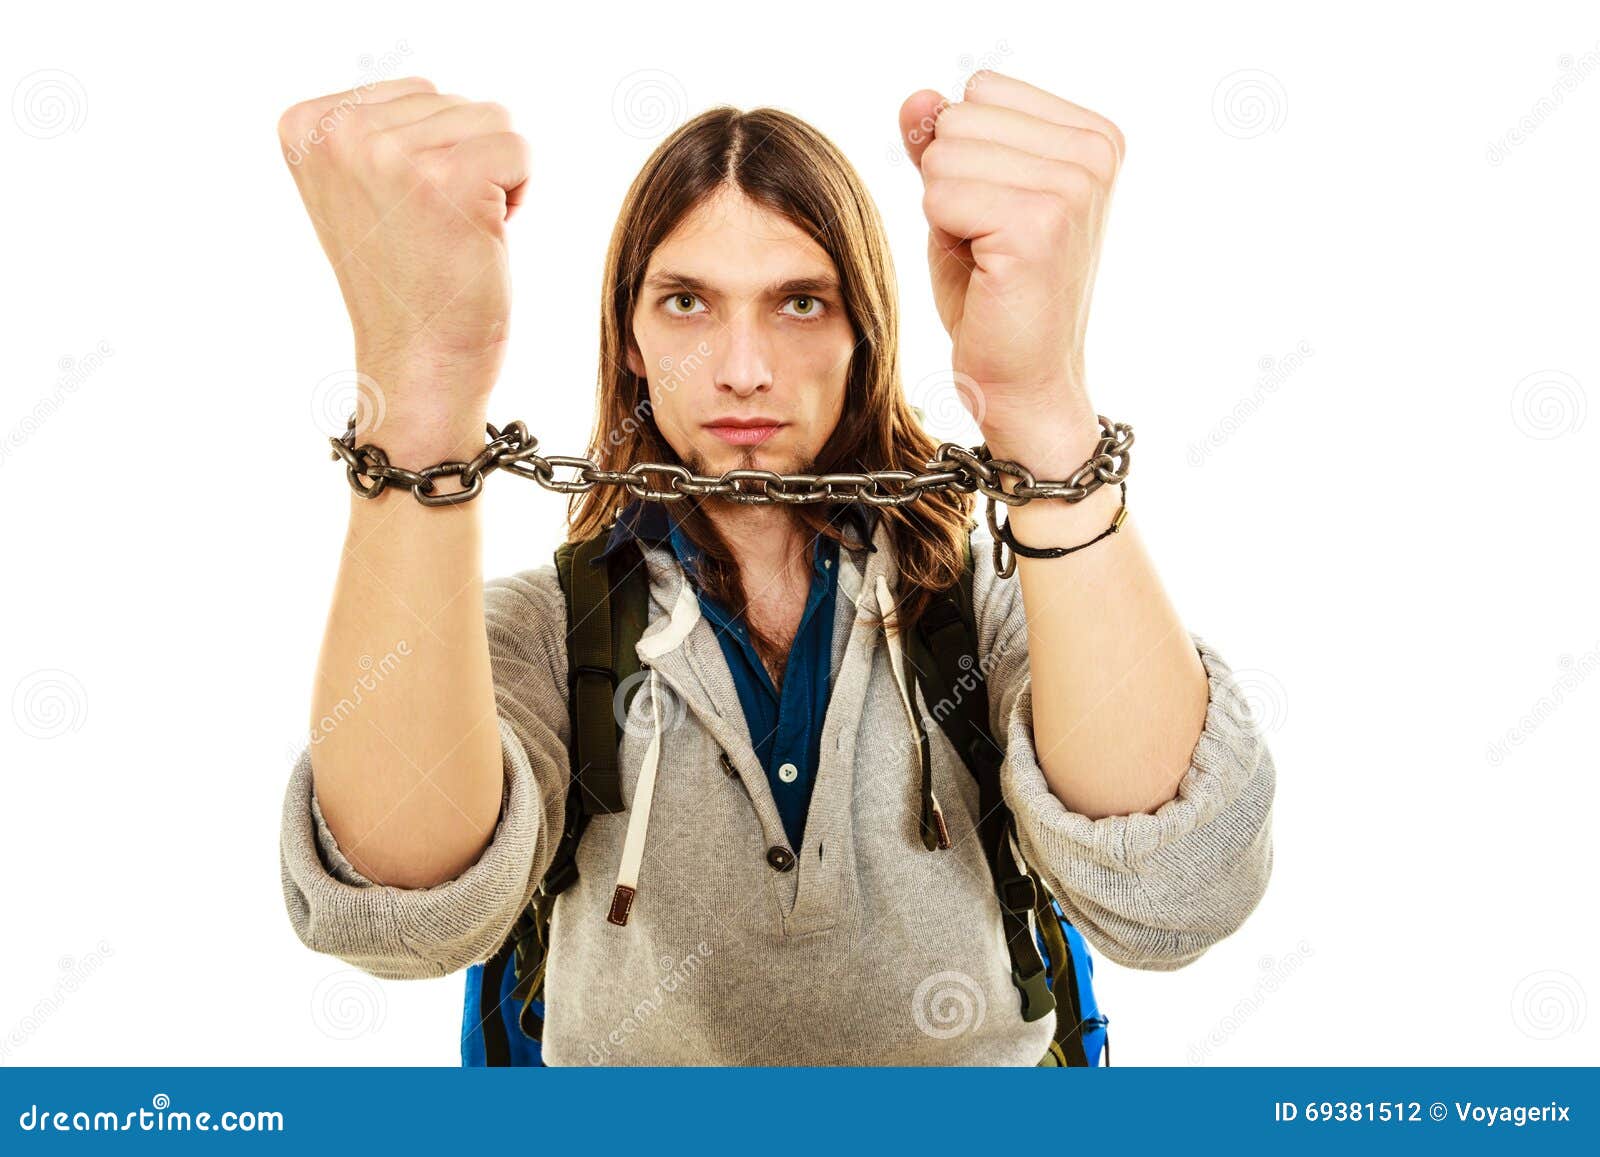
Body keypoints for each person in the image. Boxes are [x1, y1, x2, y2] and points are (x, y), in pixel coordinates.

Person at [275, 70, 1275, 1065]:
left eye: (800, 302)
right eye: (686, 302)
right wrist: (422, 390)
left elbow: (1176, 893)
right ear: (631, 336)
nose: (742, 369)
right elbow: (399, 917)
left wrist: (1039, 409)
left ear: (862, 332)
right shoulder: (546, 632)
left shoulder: (994, 605)